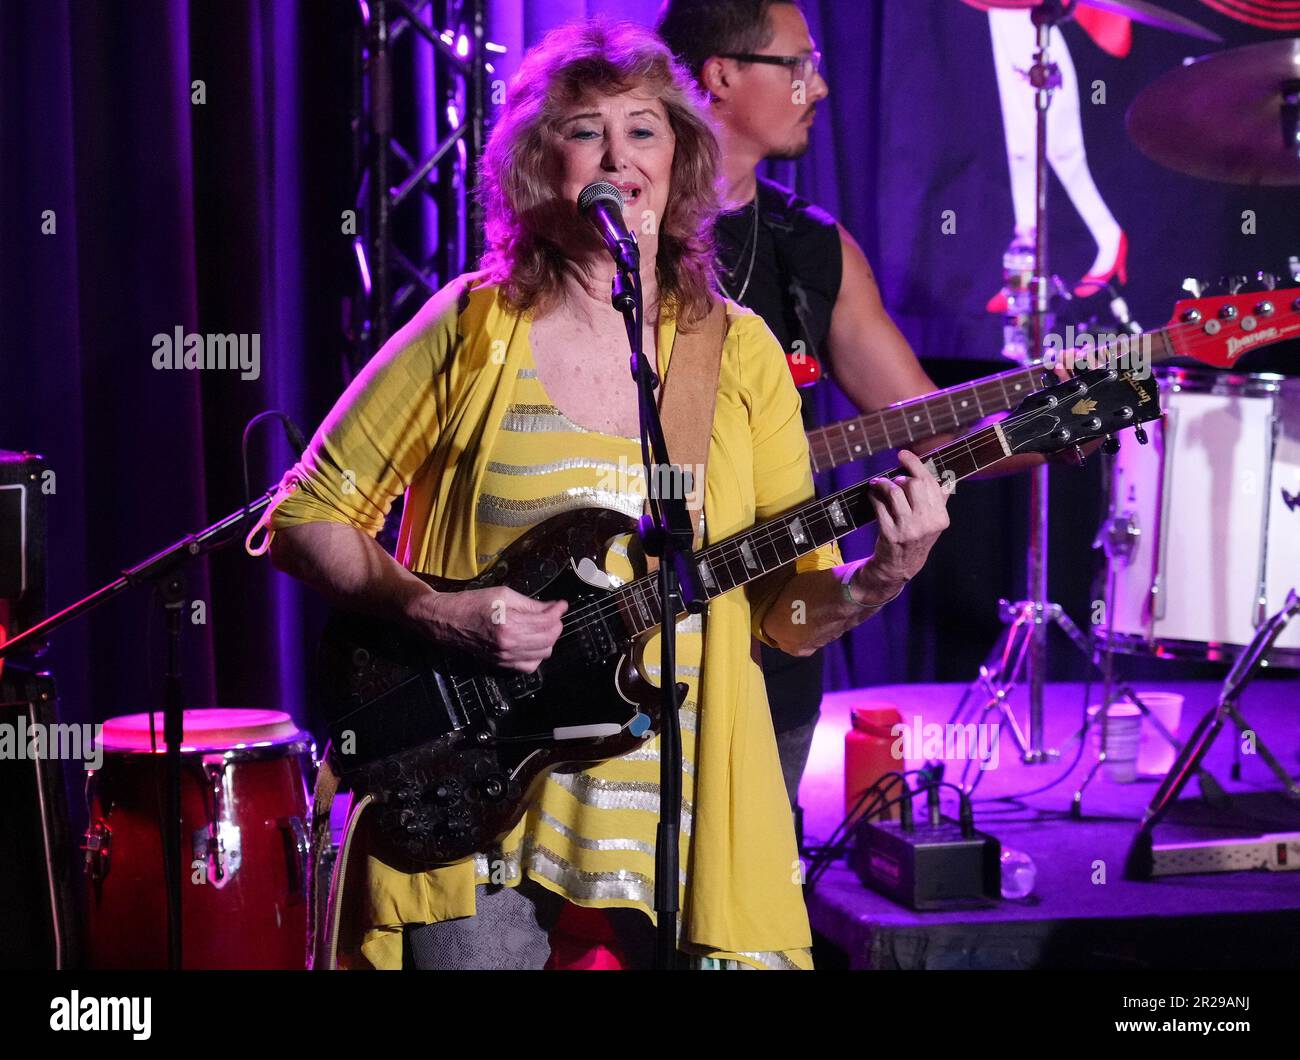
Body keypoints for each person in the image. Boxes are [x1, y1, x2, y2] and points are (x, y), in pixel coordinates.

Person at [262, 18, 949, 970]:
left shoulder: (739, 349)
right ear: (540, 163)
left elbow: (783, 611)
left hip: (686, 804)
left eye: (644, 130)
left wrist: (883, 575)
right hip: (479, 789)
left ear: (681, 161)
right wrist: (436, 611)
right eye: (586, 129)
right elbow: (304, 515)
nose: (618, 156)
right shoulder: (471, 327)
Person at [656, 0, 952, 810]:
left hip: (770, 618)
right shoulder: (612, 238)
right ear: (719, 75)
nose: (816, 88)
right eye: (797, 66)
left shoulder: (813, 246)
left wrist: (1052, 420)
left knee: (751, 890)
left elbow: (928, 419)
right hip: (622, 617)